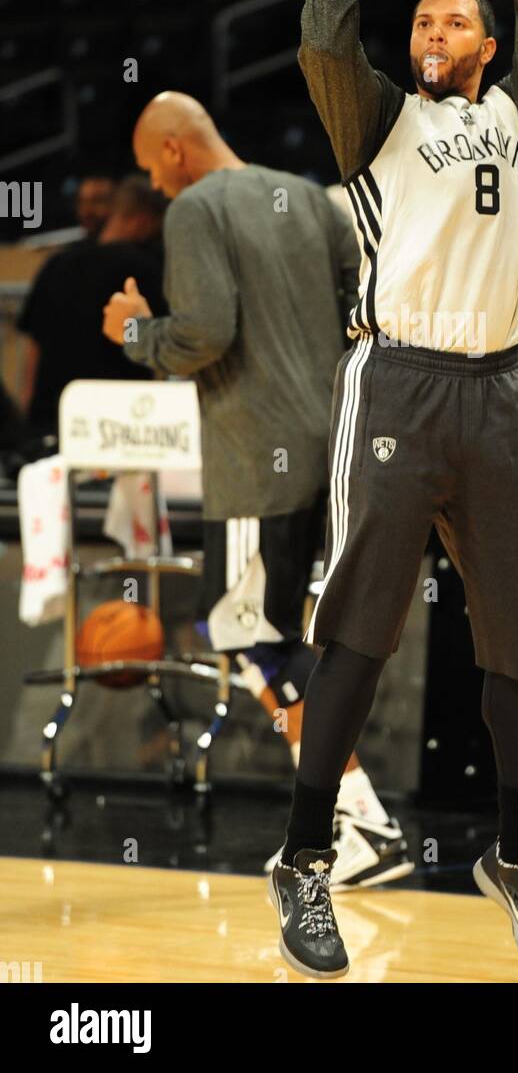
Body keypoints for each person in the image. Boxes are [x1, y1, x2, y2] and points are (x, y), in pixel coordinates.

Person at [268, 0, 518, 981]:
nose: (438, 30)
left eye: (458, 18)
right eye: (426, 20)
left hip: (500, 393)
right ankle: (303, 858)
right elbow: (319, 35)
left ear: (489, 47)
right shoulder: (375, 121)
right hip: (396, 383)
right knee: (357, 631)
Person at [102, 93, 411, 890]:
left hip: (255, 456)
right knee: (290, 634)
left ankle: (360, 817)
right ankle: (347, 819)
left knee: (242, 630)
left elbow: (204, 331)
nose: (156, 187)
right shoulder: (309, 197)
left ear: (173, 150)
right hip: (334, 449)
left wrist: (137, 330)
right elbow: (364, 306)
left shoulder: (198, 208)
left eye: (150, 170)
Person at [17, 174, 167, 436]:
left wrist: (27, 406)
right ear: (143, 221)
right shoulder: (144, 269)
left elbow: (33, 346)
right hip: (119, 420)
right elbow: (148, 341)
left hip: (50, 416)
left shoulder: (56, 265)